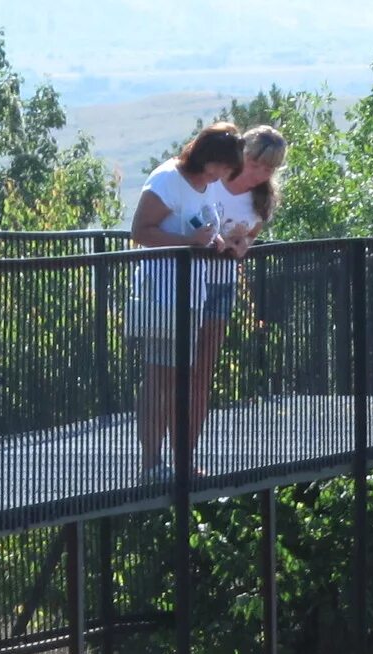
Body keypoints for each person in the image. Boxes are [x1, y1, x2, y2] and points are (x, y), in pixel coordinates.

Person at [131, 125, 246, 477]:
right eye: (223, 167)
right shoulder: (167, 180)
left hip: (190, 294)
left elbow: (198, 231)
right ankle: (151, 463)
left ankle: (173, 462)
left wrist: (214, 244)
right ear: (208, 158)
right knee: (160, 378)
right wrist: (187, 241)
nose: (224, 176)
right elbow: (140, 230)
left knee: (178, 376)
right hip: (160, 291)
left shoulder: (204, 186)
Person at [195, 124, 286, 454]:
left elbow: (250, 235)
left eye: (268, 169)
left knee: (203, 371)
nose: (258, 174)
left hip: (221, 284)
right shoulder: (210, 181)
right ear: (240, 156)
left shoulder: (261, 200)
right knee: (174, 372)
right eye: (254, 164)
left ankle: (188, 453)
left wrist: (242, 244)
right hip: (187, 282)